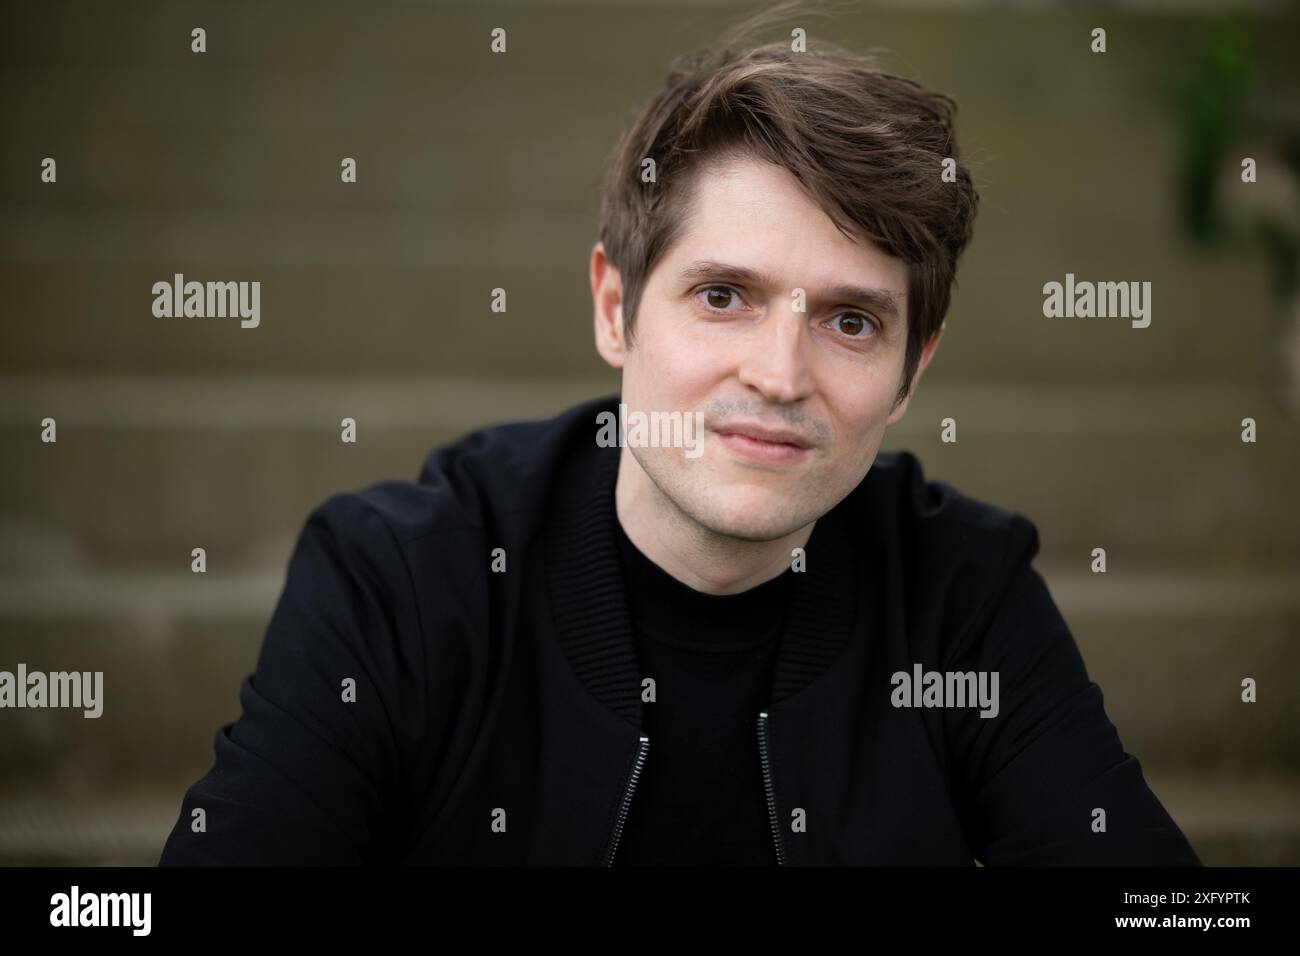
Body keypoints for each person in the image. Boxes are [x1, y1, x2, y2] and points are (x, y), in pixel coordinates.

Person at [159, 14, 1200, 867]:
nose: (779, 376)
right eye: (721, 295)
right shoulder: (404, 575)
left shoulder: (959, 593)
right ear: (615, 307)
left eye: (849, 320)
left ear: (910, 372)